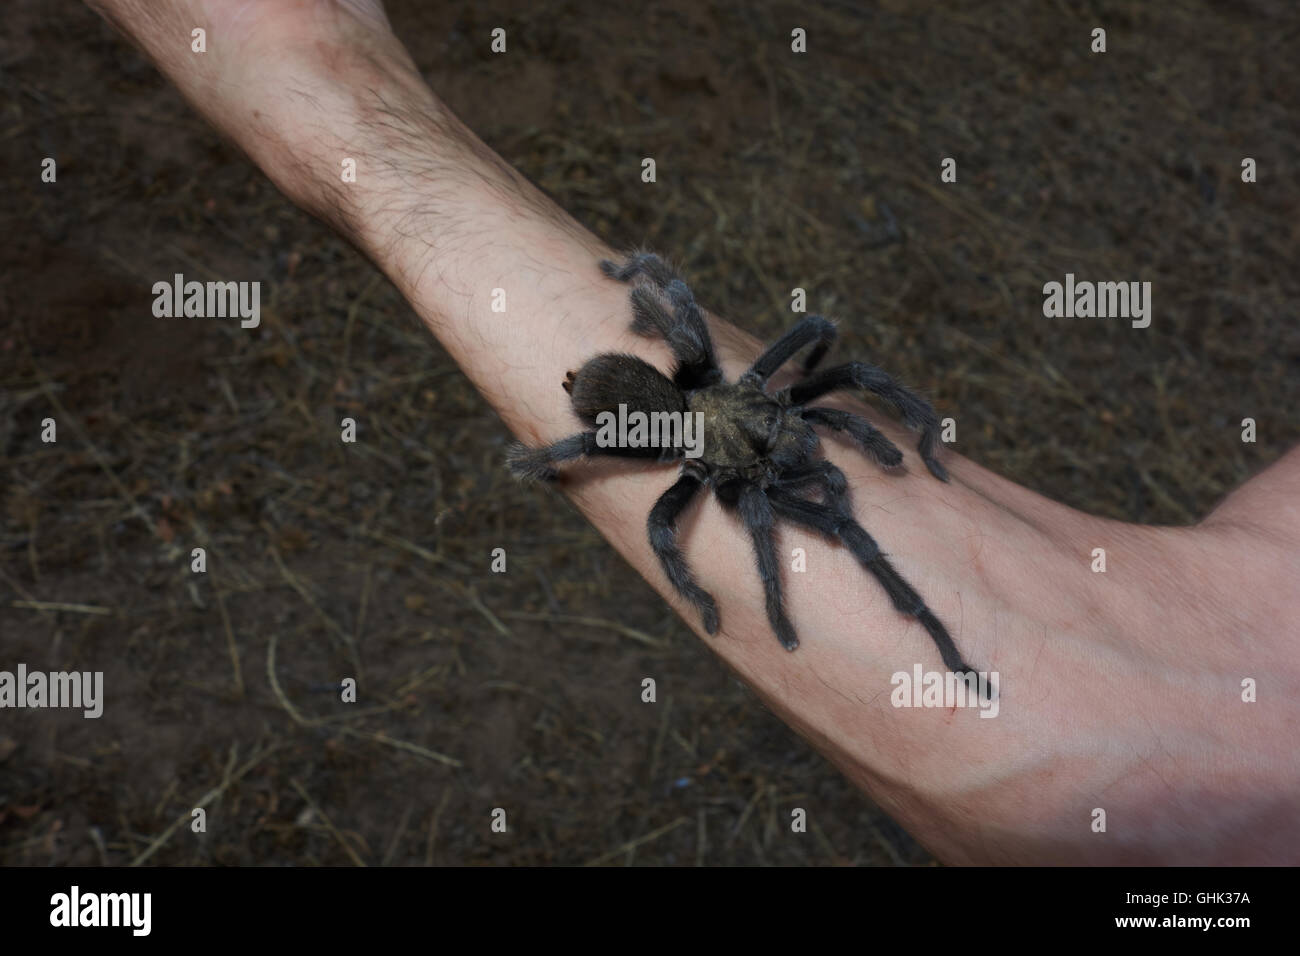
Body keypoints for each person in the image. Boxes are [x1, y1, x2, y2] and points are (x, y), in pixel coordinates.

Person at [85, 0, 1300, 864]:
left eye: (782, 419)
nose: (796, 443)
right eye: (780, 433)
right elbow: (718, 511)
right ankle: (327, 96)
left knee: (838, 361)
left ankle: (332, 94)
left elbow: (822, 360)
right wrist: (752, 596)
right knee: (805, 526)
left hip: (690, 405)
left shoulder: (765, 405)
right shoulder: (712, 461)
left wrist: (910, 446)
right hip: (646, 407)